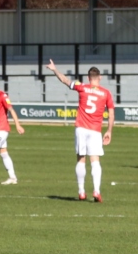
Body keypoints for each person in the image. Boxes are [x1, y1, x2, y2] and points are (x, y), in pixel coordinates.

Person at [46, 60, 113, 203]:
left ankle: (82, 192)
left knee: (81, 159)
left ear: (88, 78)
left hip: (81, 128)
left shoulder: (81, 87)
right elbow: (111, 112)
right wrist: (109, 130)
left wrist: (54, 69)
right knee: (95, 160)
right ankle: (96, 190)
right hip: (95, 130)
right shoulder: (106, 93)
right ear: (100, 77)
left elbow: (65, 80)